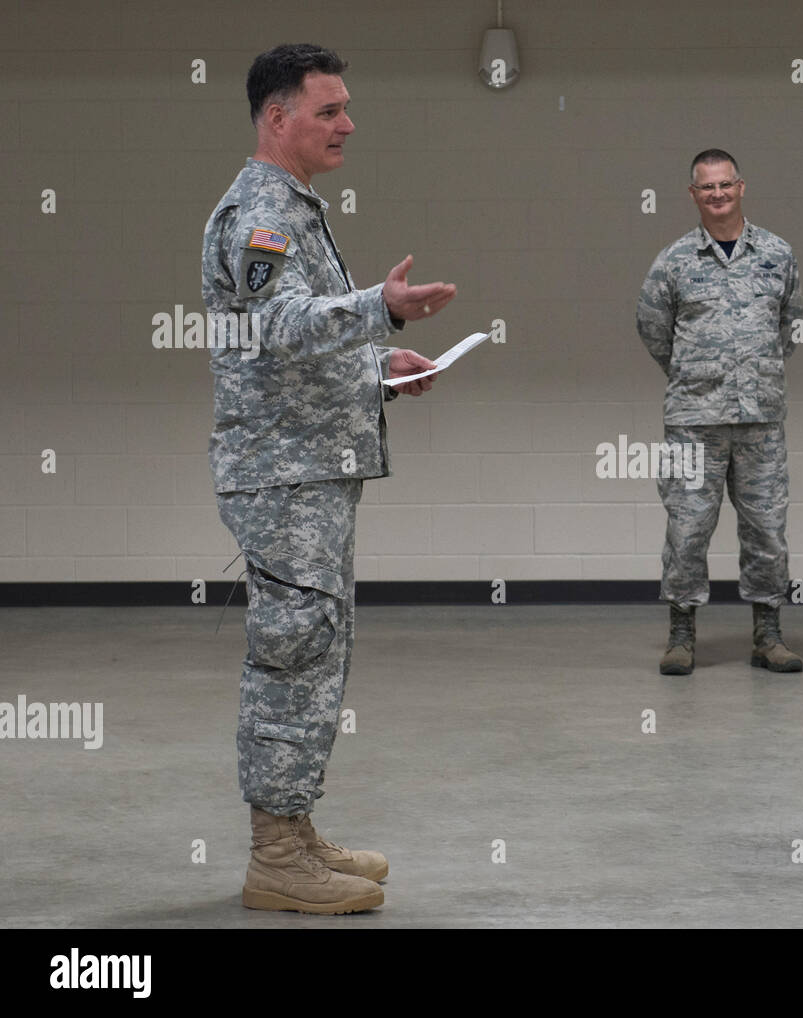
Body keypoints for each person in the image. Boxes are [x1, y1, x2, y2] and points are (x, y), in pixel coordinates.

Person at [201, 43, 455, 913]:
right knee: (292, 657)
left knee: (313, 653)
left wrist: (379, 367)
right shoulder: (259, 215)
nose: (348, 123)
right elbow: (276, 325)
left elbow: (303, 347)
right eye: (330, 110)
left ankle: (295, 829)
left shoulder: (296, 206)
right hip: (283, 477)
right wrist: (377, 307)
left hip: (307, 471)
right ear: (279, 118)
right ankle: (275, 856)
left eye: (347, 108)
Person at [636, 149, 803, 675]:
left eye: (725, 184)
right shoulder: (673, 261)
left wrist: (753, 372)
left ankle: (768, 634)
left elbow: (789, 328)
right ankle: (682, 635)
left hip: (761, 421)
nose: (717, 194)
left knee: (767, 531)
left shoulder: (777, 254)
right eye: (706, 187)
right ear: (693, 194)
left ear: (741, 187)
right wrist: (698, 373)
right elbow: (653, 330)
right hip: (694, 422)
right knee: (686, 531)